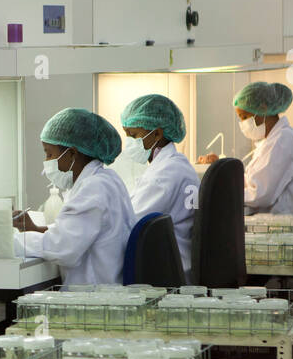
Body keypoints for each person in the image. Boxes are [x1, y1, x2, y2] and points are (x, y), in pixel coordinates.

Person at [11, 107, 137, 285]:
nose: (47, 162)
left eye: (49, 154)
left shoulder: (94, 188)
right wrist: (35, 228)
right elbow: (76, 231)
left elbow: (63, 248)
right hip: (103, 288)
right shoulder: (105, 179)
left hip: (94, 297)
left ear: (71, 153)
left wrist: (7, 242)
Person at [120, 94, 201, 280]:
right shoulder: (173, 164)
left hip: (171, 273)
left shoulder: (166, 174)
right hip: (178, 266)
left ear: (157, 134)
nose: (129, 142)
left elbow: (131, 223)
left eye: (133, 135)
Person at [227, 81, 293, 215]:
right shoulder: (271, 140)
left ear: (263, 109)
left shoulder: (284, 139)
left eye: (245, 117)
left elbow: (261, 194)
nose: (243, 124)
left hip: (289, 226)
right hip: (278, 222)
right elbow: (254, 181)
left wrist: (224, 194)